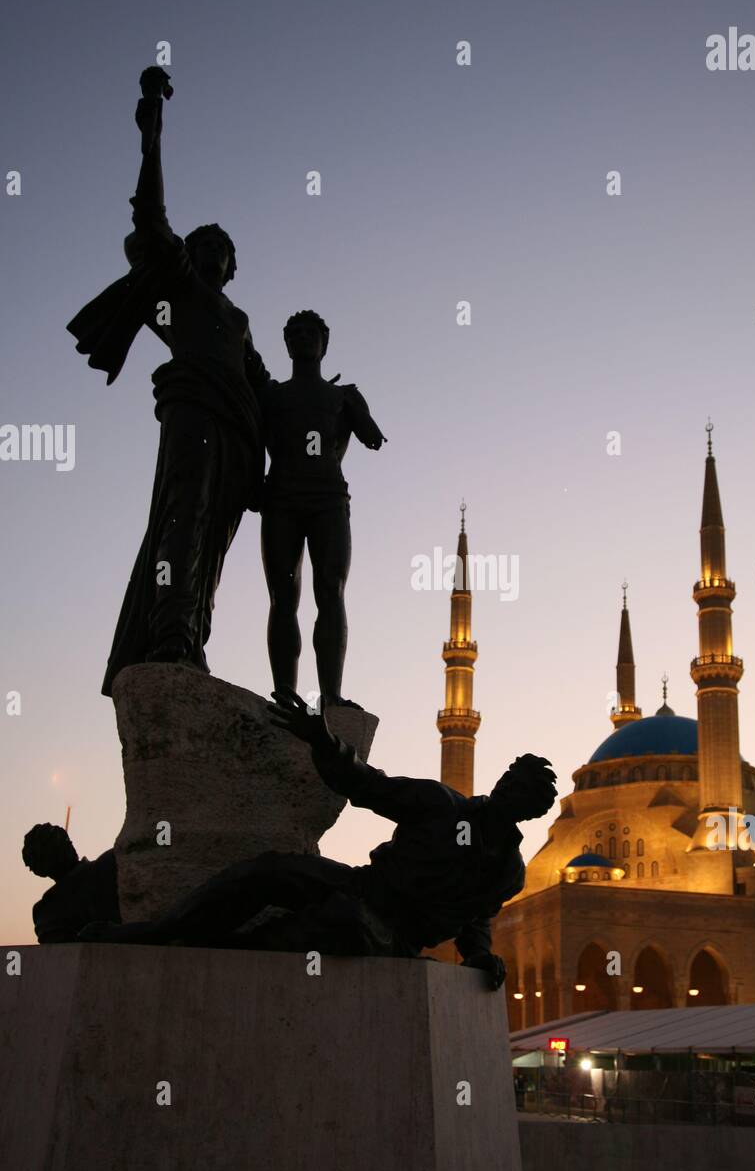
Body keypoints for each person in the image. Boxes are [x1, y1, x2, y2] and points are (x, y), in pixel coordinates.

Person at [80, 691, 558, 990]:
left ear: (528, 810)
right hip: (364, 885)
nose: (507, 790)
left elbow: (476, 920)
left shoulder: (507, 870)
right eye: (509, 779)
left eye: (520, 791)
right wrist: (324, 742)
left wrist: (479, 957)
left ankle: (214, 965)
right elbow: (366, 784)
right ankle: (155, 934)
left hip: (393, 934)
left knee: (328, 926)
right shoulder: (441, 804)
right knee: (272, 871)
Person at [67, 67, 272, 695]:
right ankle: (167, 637)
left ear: (233, 267)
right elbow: (152, 217)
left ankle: (192, 636)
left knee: (209, 545)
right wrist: (152, 135)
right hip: (192, 415)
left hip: (239, 438)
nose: (212, 251)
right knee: (182, 521)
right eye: (204, 242)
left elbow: (267, 390)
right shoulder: (181, 287)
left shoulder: (238, 321)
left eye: (222, 248)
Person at [261, 309, 386, 703]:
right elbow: (252, 441)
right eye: (293, 333)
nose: (301, 338)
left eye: (309, 332)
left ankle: (330, 696)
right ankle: (285, 692)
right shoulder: (273, 396)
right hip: (281, 495)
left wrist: (357, 413)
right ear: (286, 344)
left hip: (329, 496)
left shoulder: (343, 395)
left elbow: (372, 436)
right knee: (283, 593)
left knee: (330, 590)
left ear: (324, 342)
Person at [22, 824, 119, 945]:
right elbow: (63, 954)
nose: (67, 846)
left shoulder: (108, 862)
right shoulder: (46, 911)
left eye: (66, 841)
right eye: (55, 846)